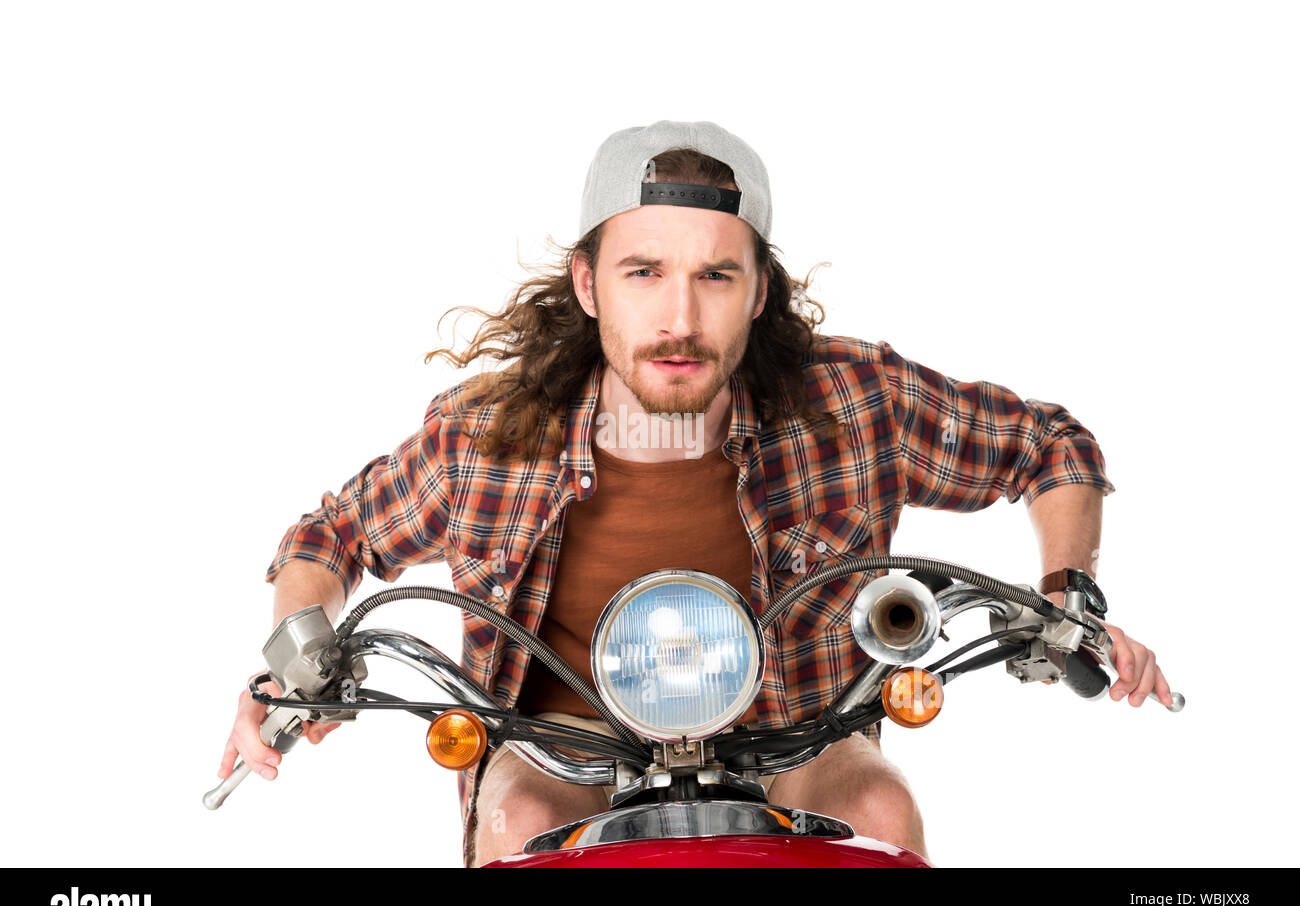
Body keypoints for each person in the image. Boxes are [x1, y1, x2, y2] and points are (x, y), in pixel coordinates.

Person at [218, 120, 1173, 867]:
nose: (679, 318)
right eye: (645, 273)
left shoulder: (853, 404)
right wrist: (294, 658)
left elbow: (1049, 446)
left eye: (716, 275)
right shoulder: (486, 436)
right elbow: (329, 536)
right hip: (562, 747)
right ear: (589, 285)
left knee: (880, 807)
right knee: (516, 818)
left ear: (761, 291)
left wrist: (1068, 592)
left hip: (793, 731)